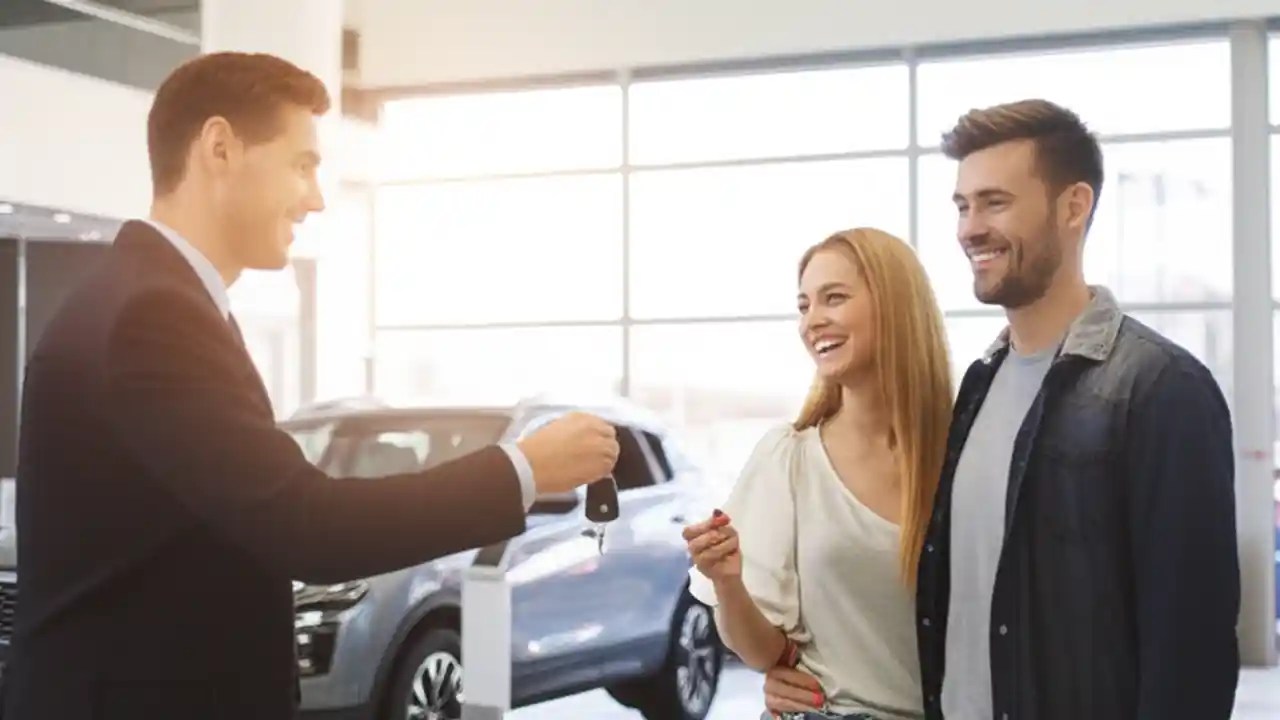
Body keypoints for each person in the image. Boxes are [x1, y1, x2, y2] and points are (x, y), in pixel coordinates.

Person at [4, 52, 620, 720]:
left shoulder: (149, 299)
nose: (317, 196)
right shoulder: (153, 314)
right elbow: (311, 526)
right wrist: (524, 468)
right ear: (219, 148)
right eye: (302, 164)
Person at [914, 99, 1239, 720]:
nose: (968, 228)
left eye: (995, 202)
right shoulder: (979, 387)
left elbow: (1190, 654)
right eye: (962, 206)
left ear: (1073, 206)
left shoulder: (1160, 389)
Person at [683, 228, 954, 720]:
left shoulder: (968, 459)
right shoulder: (789, 460)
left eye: (834, 298)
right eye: (804, 305)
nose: (813, 321)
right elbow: (765, 654)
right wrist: (727, 583)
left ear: (896, 306)